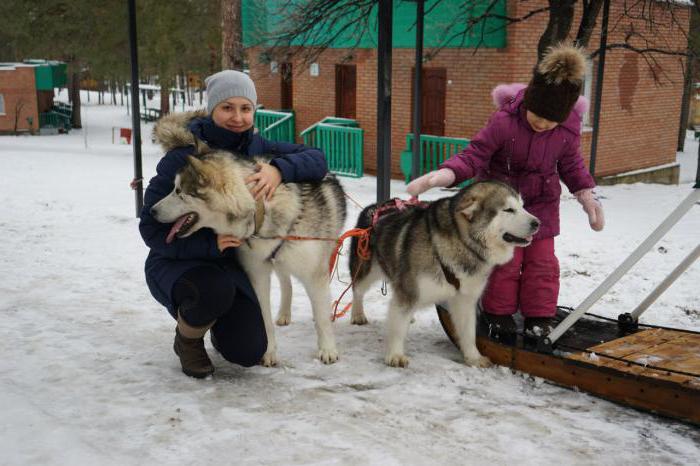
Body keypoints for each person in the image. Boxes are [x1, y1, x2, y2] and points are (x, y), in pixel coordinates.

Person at [407, 44, 604, 339]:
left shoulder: (566, 131)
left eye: (551, 121)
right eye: (538, 116)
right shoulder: (504, 122)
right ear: (528, 103)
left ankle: (540, 316)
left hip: (542, 203)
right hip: (502, 205)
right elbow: (475, 154)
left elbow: (572, 165)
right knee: (505, 262)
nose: (543, 124)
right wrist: (446, 174)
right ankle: (498, 314)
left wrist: (587, 196)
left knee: (542, 263)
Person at [139, 70, 328, 378]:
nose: (237, 117)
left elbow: (317, 159)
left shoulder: (258, 149)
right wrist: (209, 245)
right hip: (180, 262)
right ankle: (188, 338)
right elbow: (151, 227)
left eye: (245, 108)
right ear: (212, 109)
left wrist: (279, 169)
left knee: (249, 351)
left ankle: (216, 322)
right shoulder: (184, 158)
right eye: (227, 107)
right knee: (213, 289)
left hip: (236, 265)